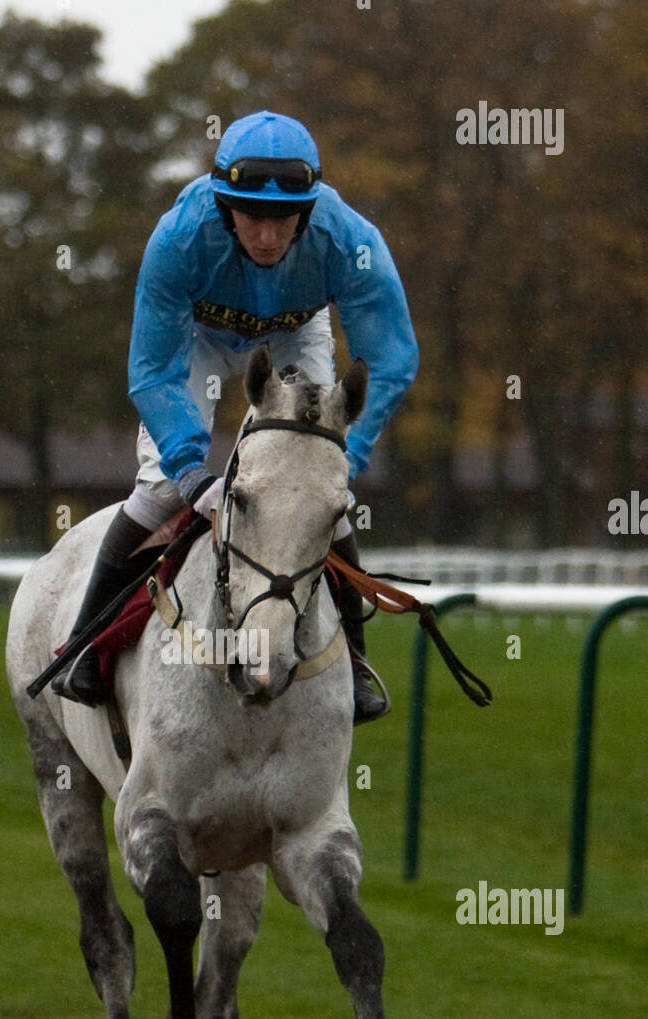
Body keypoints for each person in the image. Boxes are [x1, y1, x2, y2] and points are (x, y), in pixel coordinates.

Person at [53, 109, 419, 721]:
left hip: (297, 332)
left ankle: (353, 660)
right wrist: (193, 472)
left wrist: (342, 458)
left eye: (285, 218)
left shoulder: (352, 241)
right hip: (192, 333)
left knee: (318, 486)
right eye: (253, 216)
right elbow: (153, 372)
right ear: (225, 205)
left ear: (311, 204)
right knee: (164, 487)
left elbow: (389, 360)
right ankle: (86, 645)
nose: (270, 237)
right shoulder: (178, 238)